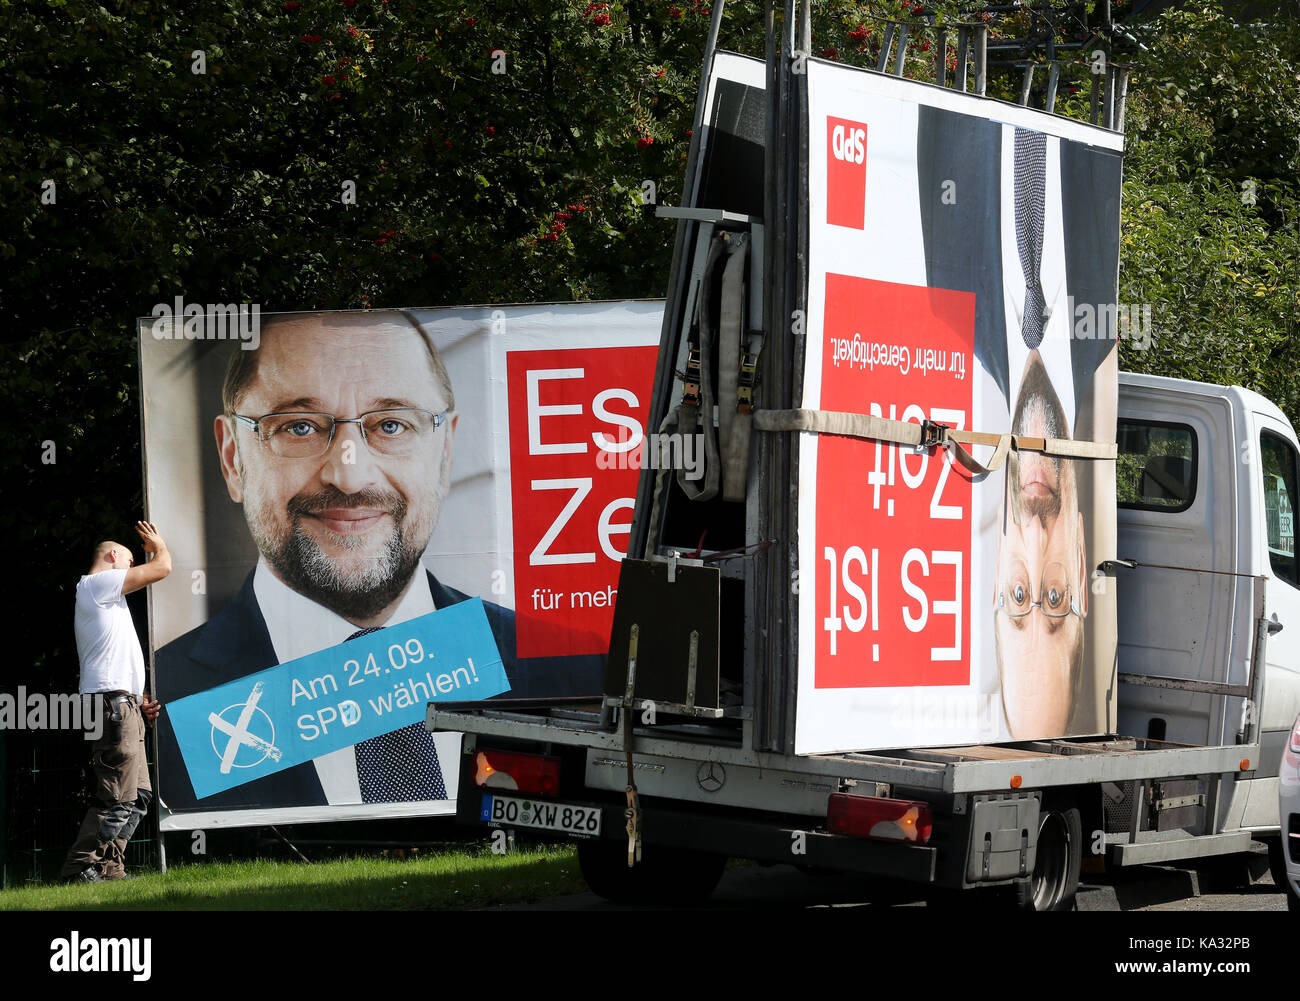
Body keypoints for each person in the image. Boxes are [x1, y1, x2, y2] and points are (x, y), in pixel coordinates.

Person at [155, 310, 602, 813]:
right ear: (234, 458)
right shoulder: (167, 695)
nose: (349, 477)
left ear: (446, 451)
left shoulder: (572, 669)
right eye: (300, 426)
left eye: (392, 424)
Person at [62, 523, 172, 882]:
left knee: (137, 795)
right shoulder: (96, 585)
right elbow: (162, 568)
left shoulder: (107, 600)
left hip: (122, 704)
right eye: (128, 559)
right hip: (111, 706)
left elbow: (112, 657)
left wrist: (139, 700)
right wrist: (159, 548)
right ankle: (80, 866)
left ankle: (109, 868)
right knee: (116, 795)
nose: (131, 566)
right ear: (113, 557)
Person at [994, 351, 1089, 738]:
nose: (1034, 533)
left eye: (1018, 593)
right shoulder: (1095, 344)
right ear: (1081, 569)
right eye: (1054, 597)